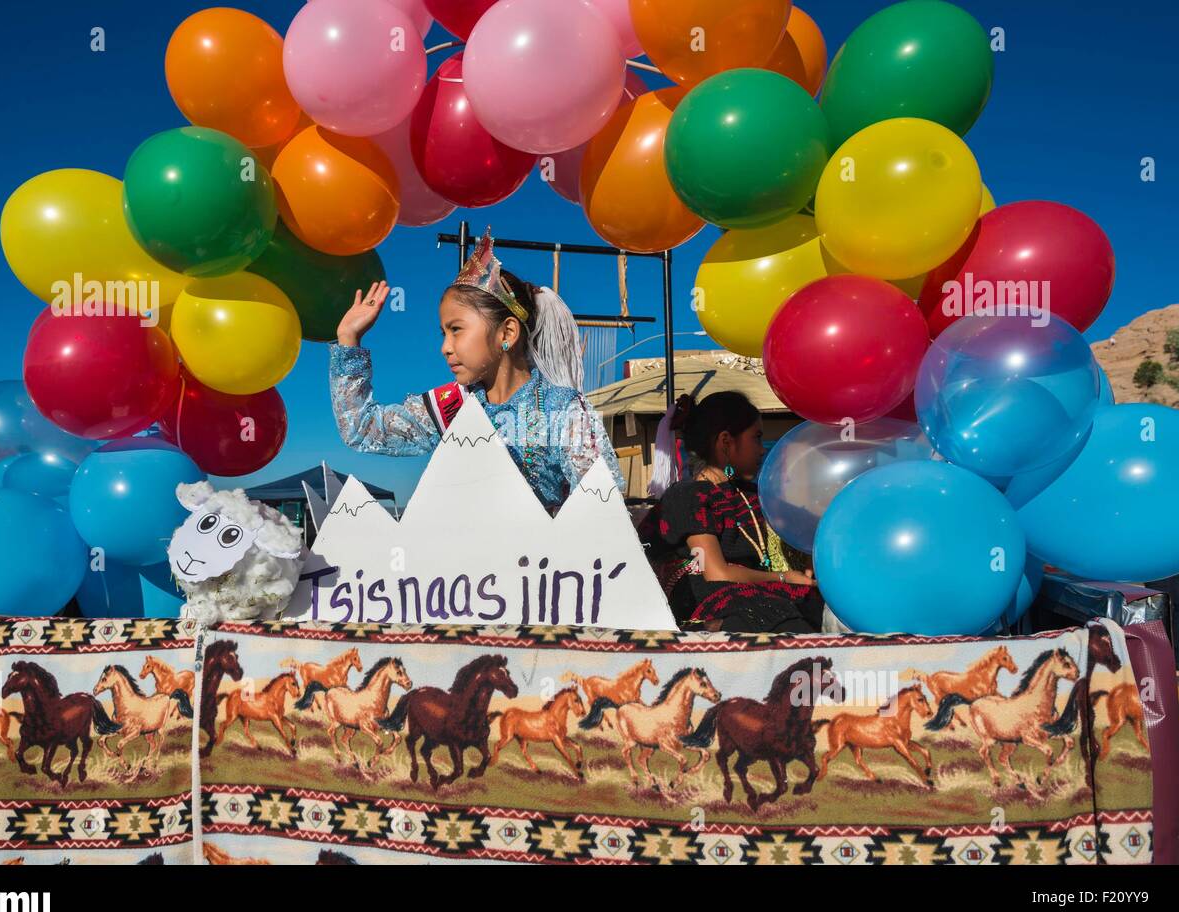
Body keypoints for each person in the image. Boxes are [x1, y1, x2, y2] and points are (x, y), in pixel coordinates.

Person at [328, 226, 624, 511]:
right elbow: (362, 430)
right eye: (443, 333)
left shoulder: (561, 408)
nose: (445, 347)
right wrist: (348, 339)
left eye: (456, 330)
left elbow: (602, 501)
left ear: (506, 333)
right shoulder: (452, 406)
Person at [639, 391, 824, 633]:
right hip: (716, 606)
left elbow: (808, 524)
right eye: (756, 438)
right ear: (726, 442)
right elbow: (717, 573)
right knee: (778, 618)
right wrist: (784, 578)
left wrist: (811, 555)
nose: (761, 450)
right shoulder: (690, 495)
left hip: (759, 595)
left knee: (818, 602)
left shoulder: (751, 494)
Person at [1143, 571, 1179, 680]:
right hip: (1156, 561)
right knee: (1160, 608)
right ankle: (1157, 664)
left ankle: (1177, 664)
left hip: (1177, 565)